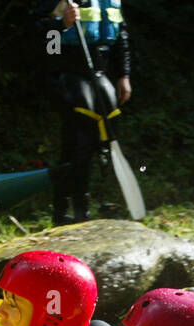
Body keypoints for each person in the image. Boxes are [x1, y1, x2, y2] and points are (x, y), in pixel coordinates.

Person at [34, 1, 131, 225]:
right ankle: (64, 210)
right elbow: (41, 35)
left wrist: (124, 75)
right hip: (68, 72)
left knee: (105, 138)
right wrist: (61, 24)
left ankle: (87, 206)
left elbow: (122, 37)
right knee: (79, 142)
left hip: (98, 71)